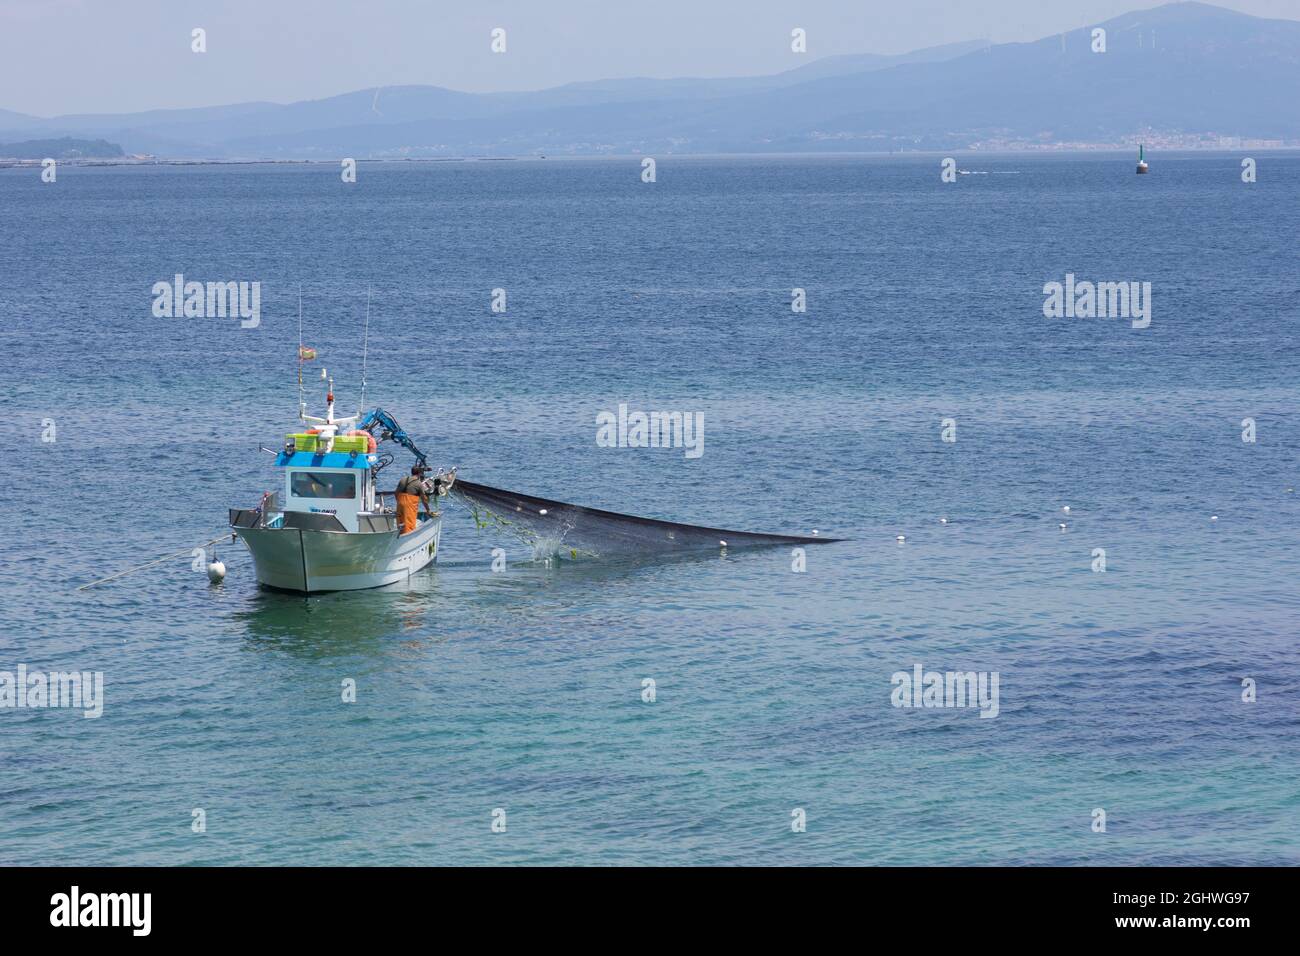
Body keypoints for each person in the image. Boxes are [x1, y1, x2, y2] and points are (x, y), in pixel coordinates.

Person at [395, 465, 432, 534]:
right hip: (409, 507)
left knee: (400, 523)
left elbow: (396, 493)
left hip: (399, 504)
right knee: (409, 524)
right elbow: (424, 499)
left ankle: (399, 536)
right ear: (419, 474)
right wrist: (428, 510)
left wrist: (400, 502)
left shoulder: (403, 479)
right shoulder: (418, 484)